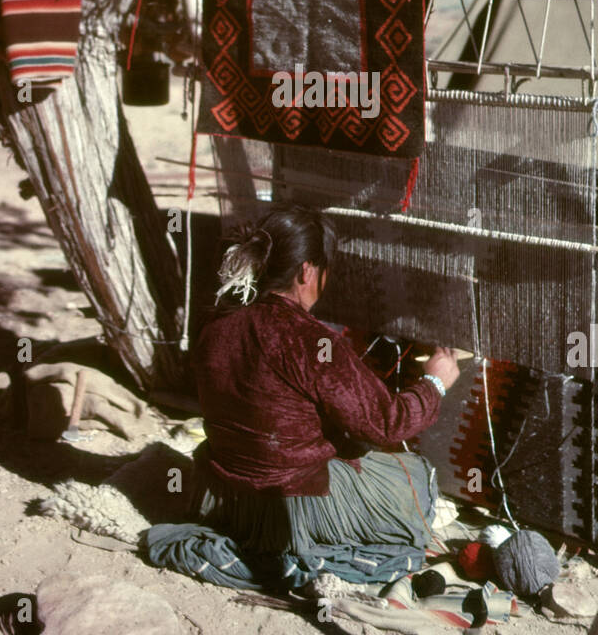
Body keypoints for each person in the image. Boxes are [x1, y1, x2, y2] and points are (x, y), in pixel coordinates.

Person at [181, 204, 461, 589]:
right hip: (290, 509)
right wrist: (435, 382)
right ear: (306, 271)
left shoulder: (215, 325)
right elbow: (387, 424)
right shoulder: (308, 339)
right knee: (417, 480)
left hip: (224, 498)